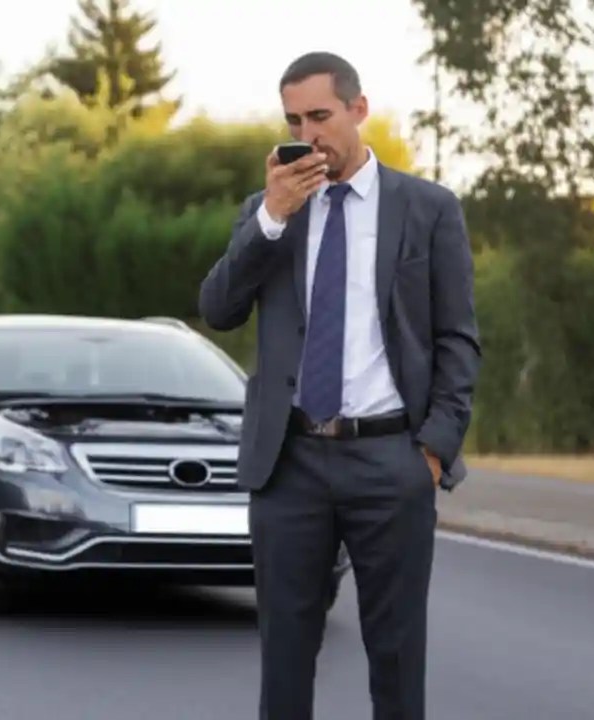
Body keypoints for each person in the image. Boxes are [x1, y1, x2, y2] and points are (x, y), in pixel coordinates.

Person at [198, 51, 481, 719]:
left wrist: (432, 451)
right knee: (286, 659)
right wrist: (270, 218)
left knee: (396, 655)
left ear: (358, 109)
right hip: (289, 462)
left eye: (320, 116)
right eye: (294, 120)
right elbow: (218, 309)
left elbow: (457, 340)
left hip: (391, 459)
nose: (308, 135)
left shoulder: (429, 209)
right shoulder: (270, 213)